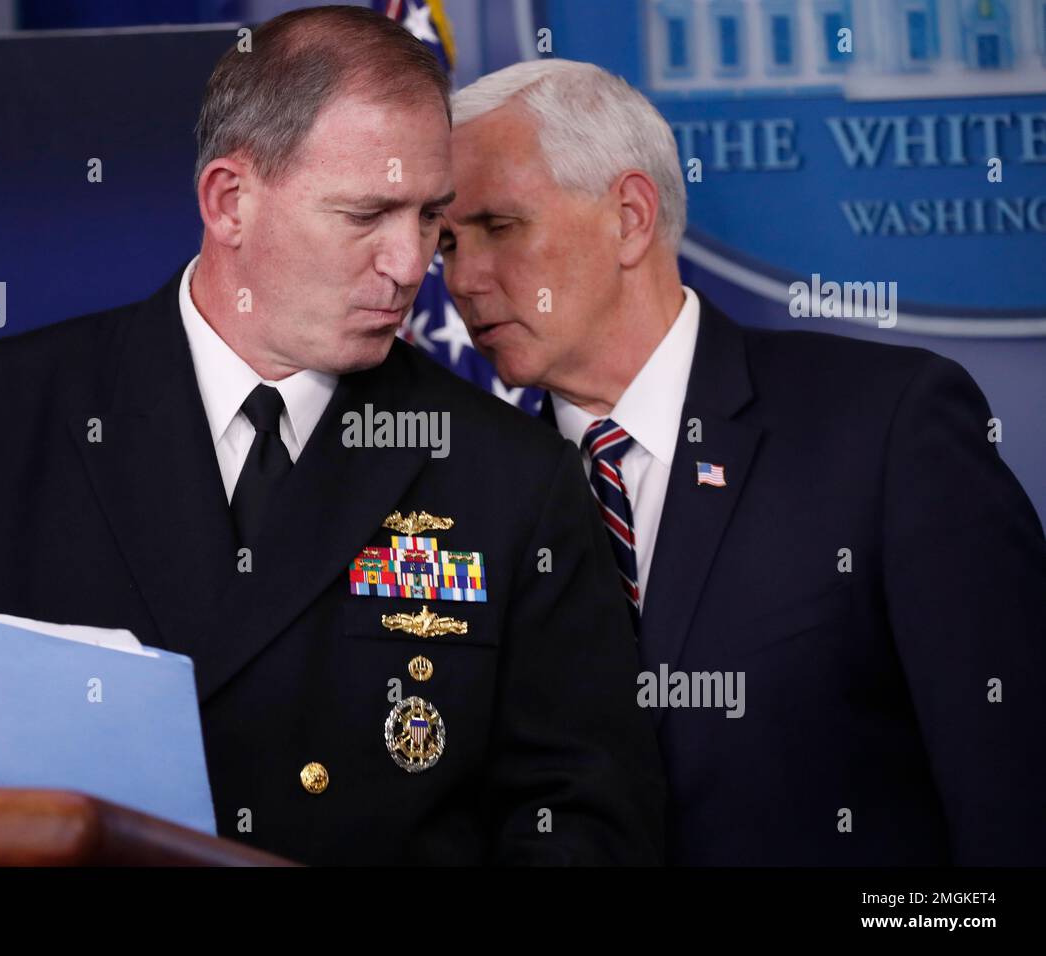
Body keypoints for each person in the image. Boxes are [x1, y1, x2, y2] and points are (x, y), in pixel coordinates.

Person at [0, 9, 663, 866]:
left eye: (430, 217)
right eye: (366, 216)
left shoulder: (508, 473)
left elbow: (582, 813)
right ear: (229, 199)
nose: (409, 266)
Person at [438, 58, 1046, 865]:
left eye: (499, 227)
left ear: (628, 216)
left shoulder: (886, 427)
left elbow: (1014, 793)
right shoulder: (463, 486)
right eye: (444, 242)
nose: (463, 279)